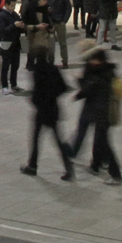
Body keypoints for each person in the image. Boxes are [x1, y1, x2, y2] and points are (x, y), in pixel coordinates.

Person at [69, 48, 122, 184]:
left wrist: (79, 81)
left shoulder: (102, 75)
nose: (90, 61)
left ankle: (116, 176)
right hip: (99, 111)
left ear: (99, 60)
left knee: (104, 144)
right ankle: (95, 166)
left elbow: (88, 90)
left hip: (101, 113)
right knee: (99, 142)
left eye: (93, 59)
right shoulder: (105, 71)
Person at [21, 49, 75, 180]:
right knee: (58, 140)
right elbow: (63, 87)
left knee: (36, 139)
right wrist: (53, 96)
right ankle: (68, 168)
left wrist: (34, 101)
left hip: (42, 110)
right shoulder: (54, 69)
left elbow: (37, 92)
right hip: (53, 108)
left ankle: (33, 166)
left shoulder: (37, 72)